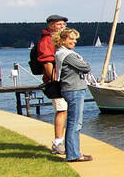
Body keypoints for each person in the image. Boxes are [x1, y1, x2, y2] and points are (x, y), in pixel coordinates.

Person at [54, 28, 94, 163]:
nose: (74, 41)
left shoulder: (61, 53)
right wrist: (85, 64)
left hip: (70, 89)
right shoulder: (68, 55)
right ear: (63, 39)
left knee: (74, 122)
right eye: (71, 39)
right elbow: (86, 67)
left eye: (75, 39)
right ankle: (73, 154)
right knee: (75, 123)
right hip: (74, 90)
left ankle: (75, 152)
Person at [37, 14, 69, 154]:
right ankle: (58, 142)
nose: (62, 26)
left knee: (65, 110)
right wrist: (53, 80)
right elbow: (47, 61)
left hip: (64, 80)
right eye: (59, 24)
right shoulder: (47, 40)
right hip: (56, 81)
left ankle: (62, 141)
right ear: (50, 25)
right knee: (61, 110)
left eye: (63, 24)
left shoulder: (57, 40)